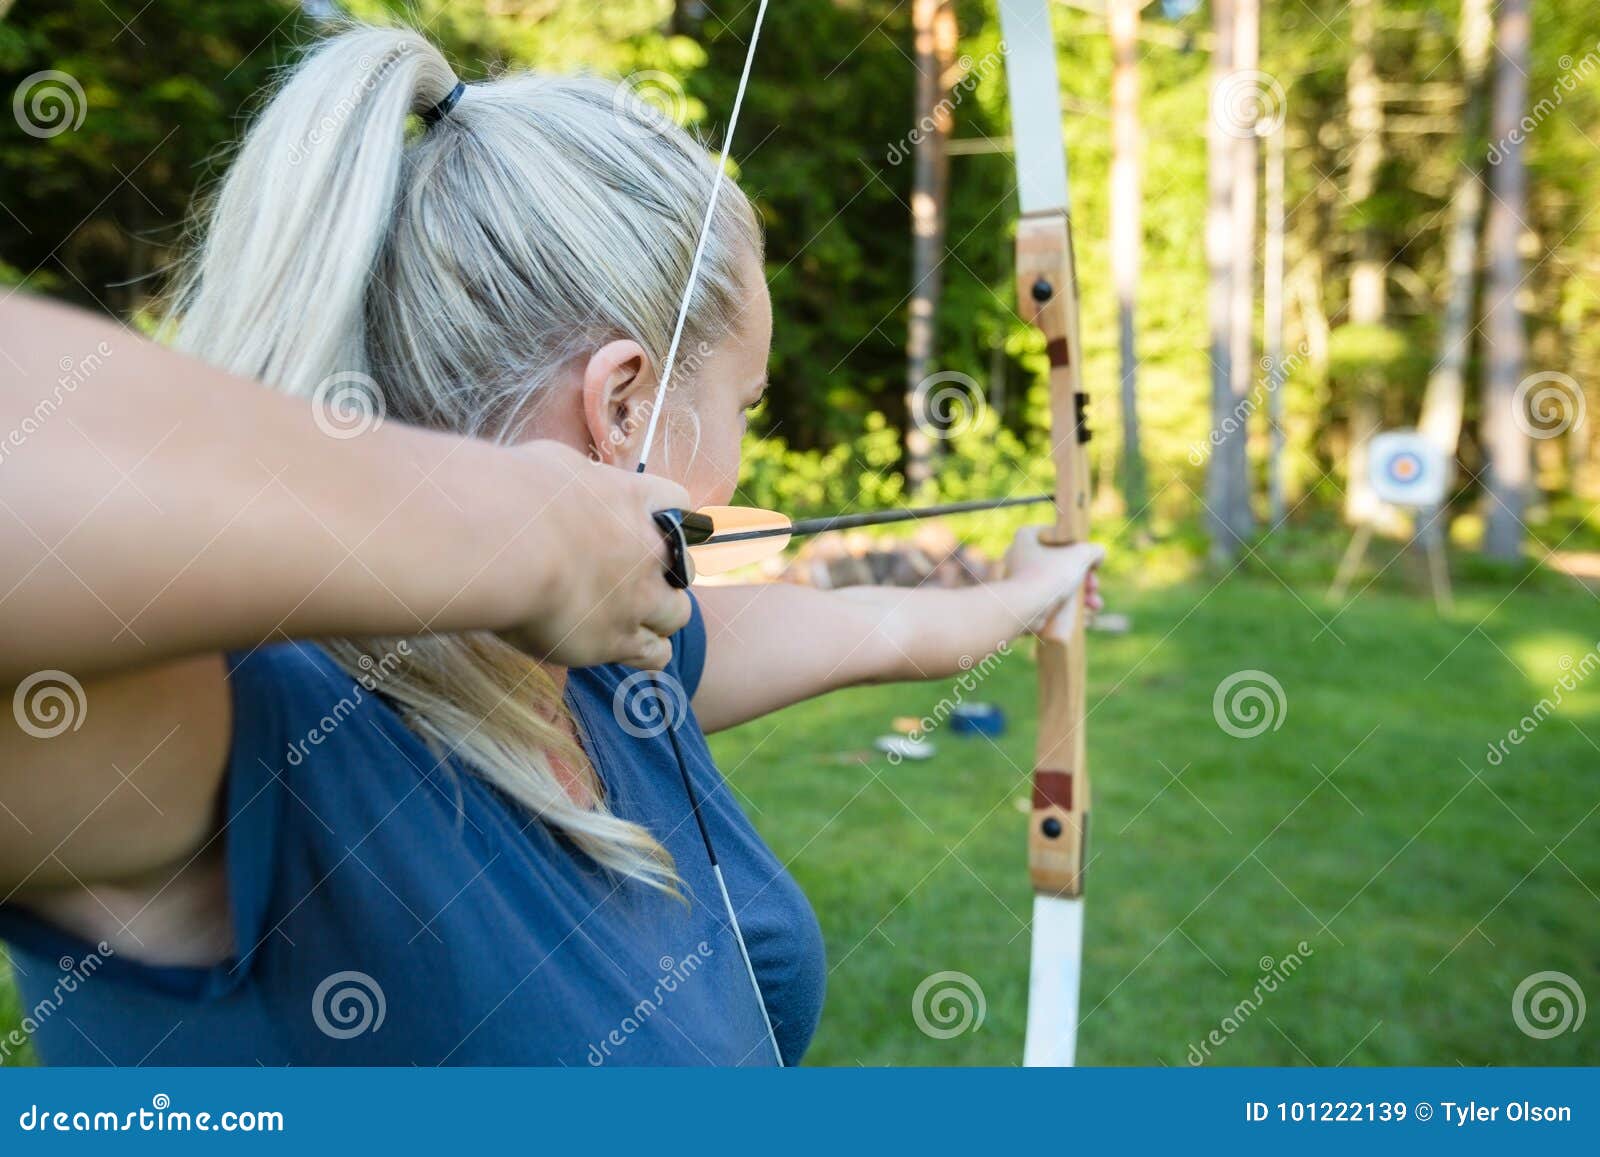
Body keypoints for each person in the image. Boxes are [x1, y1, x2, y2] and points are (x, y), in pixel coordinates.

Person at [0, 23, 1102, 1066]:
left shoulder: (598, 681)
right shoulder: (238, 740)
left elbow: (889, 621)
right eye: (747, 407)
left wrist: (1029, 588)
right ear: (623, 404)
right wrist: (534, 528)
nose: (742, 466)